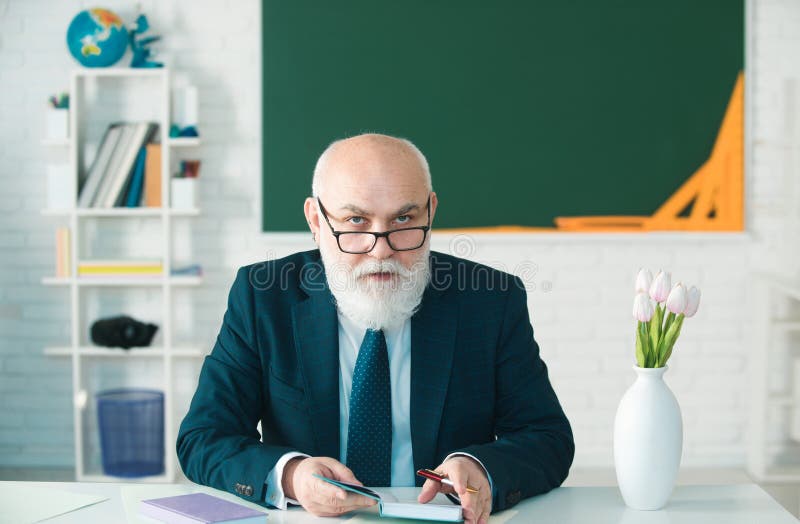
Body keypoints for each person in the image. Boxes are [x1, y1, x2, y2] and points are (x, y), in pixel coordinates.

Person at [177, 133, 574, 524]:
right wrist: (292, 476)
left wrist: (481, 468)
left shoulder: (491, 301)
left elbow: (547, 438)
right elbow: (204, 438)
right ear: (316, 220)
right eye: (355, 221)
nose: (381, 249)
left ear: (431, 212)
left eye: (404, 219)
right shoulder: (262, 297)